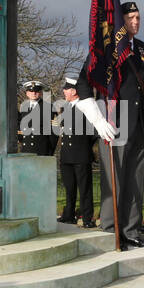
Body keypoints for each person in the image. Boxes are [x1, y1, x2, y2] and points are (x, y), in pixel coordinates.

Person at [73, 1, 144, 248]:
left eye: (138, 17)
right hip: (114, 121)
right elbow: (83, 83)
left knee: (135, 181)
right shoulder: (106, 50)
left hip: (139, 124)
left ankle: (131, 231)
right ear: (120, 22)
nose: (135, 22)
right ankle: (110, 231)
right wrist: (97, 119)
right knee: (114, 180)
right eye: (130, 18)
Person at [56, 74, 96, 226]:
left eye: (66, 89)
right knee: (69, 188)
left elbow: (93, 132)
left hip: (81, 154)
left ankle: (87, 219)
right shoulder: (66, 107)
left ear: (74, 91)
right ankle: (69, 215)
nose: (64, 92)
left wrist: (83, 146)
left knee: (84, 189)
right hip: (67, 155)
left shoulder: (86, 107)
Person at [15, 80, 54, 155]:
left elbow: (53, 133)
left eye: (37, 91)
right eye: (31, 91)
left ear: (41, 93)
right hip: (26, 149)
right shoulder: (24, 106)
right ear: (27, 93)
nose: (34, 93)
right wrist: (20, 137)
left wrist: (50, 151)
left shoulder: (48, 107)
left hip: (41, 150)